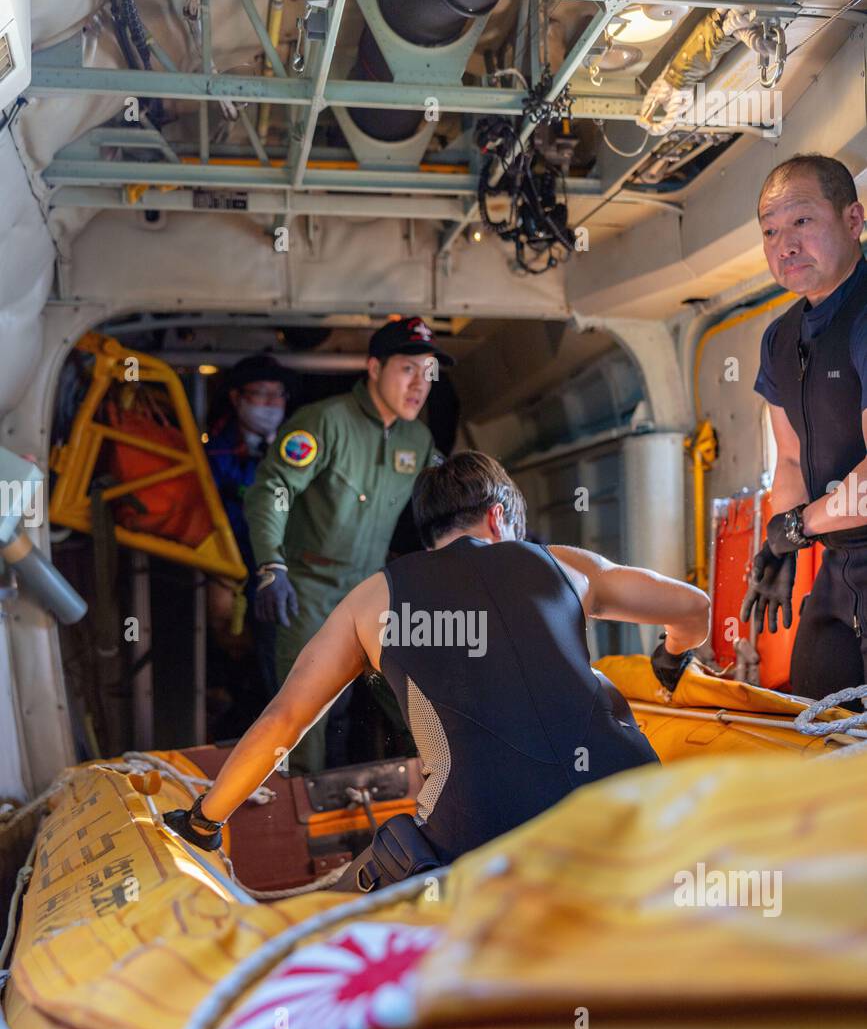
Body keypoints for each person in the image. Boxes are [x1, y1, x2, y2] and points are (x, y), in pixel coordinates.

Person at [165, 453, 710, 891]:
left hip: (484, 846)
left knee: (383, 866)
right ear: (500, 517)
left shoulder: (371, 601)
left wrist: (204, 822)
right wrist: (672, 655)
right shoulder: (567, 564)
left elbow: (283, 722)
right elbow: (695, 609)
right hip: (637, 811)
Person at [242, 317, 451, 774]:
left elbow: (448, 503)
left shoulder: (418, 439)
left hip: (372, 590)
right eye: (408, 370)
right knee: (305, 714)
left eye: (429, 372)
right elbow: (271, 490)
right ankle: (303, 828)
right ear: (374, 368)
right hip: (309, 587)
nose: (420, 384)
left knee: (416, 696)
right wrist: (271, 566)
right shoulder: (323, 422)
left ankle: (446, 802)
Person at [741, 153, 867, 700]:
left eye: (802, 221)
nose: (784, 243)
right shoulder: (779, 338)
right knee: (811, 710)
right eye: (770, 230)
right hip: (840, 561)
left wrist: (798, 528)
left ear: (853, 220)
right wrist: (782, 543)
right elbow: (788, 458)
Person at [205, 354, 295, 707]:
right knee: (231, 639)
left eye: (278, 395)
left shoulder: (299, 445)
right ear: (236, 398)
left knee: (279, 647)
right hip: (228, 561)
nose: (271, 404)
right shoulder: (215, 450)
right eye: (260, 394)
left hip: (283, 566)